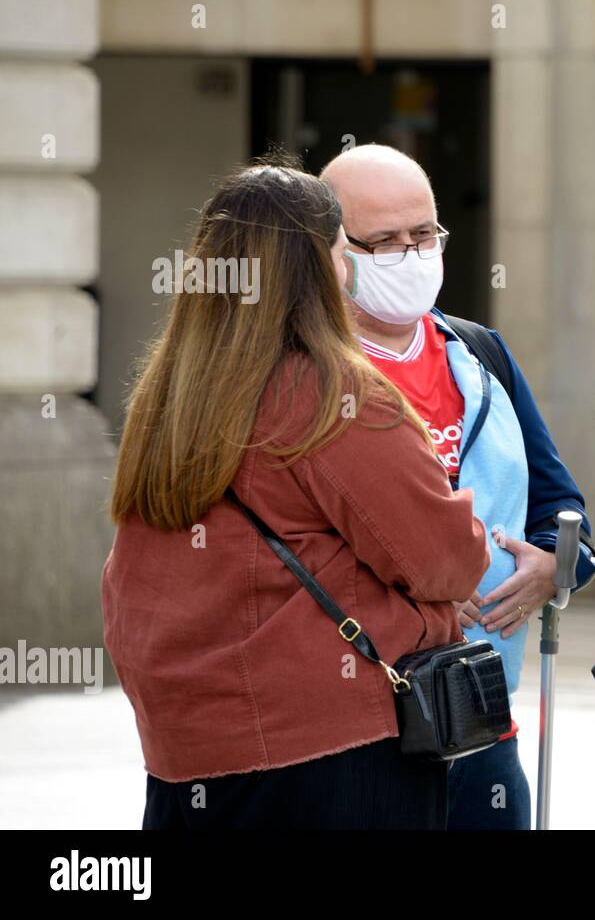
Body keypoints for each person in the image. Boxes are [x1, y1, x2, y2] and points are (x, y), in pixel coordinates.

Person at [102, 160, 491, 829]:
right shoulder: (332, 392)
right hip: (331, 750)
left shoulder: (165, 393)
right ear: (318, 268)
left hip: (186, 752)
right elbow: (445, 560)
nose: (349, 272)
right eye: (343, 253)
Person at [320, 144, 595, 830]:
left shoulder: (478, 352)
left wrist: (552, 567)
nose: (411, 254)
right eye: (384, 241)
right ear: (331, 252)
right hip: (356, 723)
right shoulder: (309, 375)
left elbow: (561, 507)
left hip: (478, 710)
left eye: (424, 234)